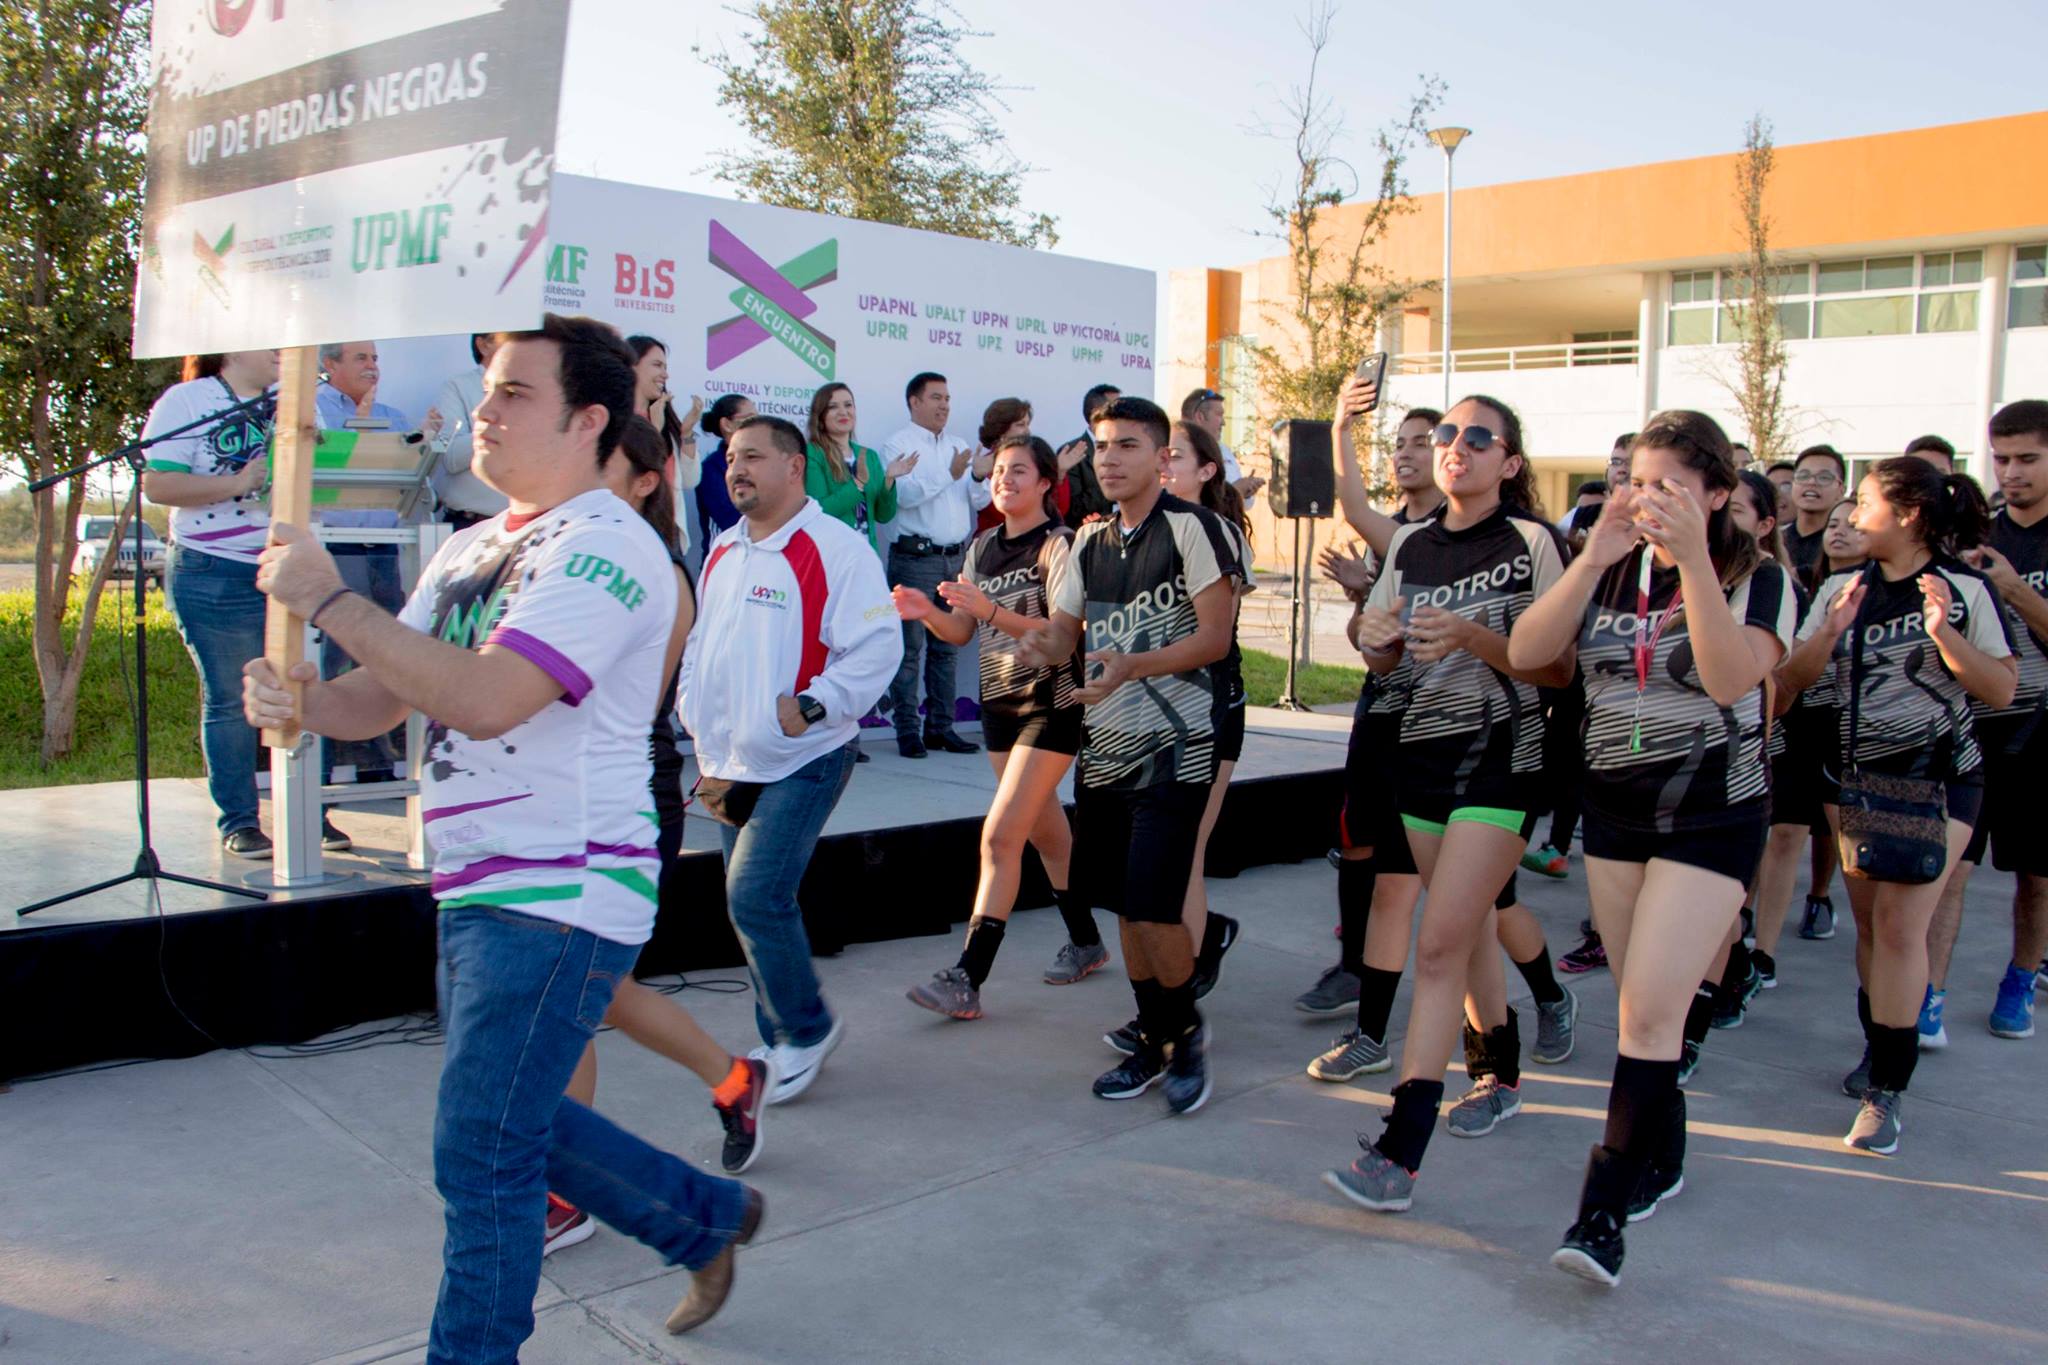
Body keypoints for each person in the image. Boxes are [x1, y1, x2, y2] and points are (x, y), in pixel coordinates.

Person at [241, 315, 764, 1353]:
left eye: (513, 393)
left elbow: (486, 699)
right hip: (479, 887)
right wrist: (298, 703)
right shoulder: (478, 546)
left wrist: (333, 599)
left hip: (561, 890)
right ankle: (699, 1218)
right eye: (485, 390)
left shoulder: (608, 546)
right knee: (510, 1116)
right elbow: (384, 697)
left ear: (588, 419)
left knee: (480, 1146)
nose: (483, 409)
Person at [1507, 410, 1796, 1285]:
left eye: (1670, 485)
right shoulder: (1609, 570)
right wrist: (1592, 556)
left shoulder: (1763, 578)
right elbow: (1527, 651)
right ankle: (1661, 1155)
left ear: (1718, 494)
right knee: (1646, 1004)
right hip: (1616, 811)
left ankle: (1600, 1214)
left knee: (1645, 1015)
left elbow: (1728, 675)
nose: (1647, 500)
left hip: (1713, 812)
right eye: (1636, 480)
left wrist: (1699, 561)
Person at [1322, 392, 1570, 1214]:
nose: (1455, 446)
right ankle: (1499, 1072)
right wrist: (1376, 640)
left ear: (1510, 461)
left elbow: (1559, 670)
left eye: (1476, 436)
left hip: (1505, 763)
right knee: (1464, 941)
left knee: (1437, 945)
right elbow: (1388, 668)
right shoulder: (1413, 546)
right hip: (1420, 762)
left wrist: (1472, 636)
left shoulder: (1534, 543)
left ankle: (1399, 1150)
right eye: (1447, 435)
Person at [543, 416, 770, 1260]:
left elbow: (612, 702)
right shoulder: (563, 550)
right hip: (565, 805)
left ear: (646, 478)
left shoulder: (655, 570)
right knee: (596, 990)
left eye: (597, 463)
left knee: (573, 998)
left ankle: (568, 1191)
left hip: (617, 800)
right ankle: (733, 1077)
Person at [1779, 456, 2014, 1156]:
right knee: (1874, 931)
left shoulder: (1964, 590)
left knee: (1903, 925)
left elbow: (2000, 689)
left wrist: (1944, 635)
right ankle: (1880, 1043)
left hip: (1942, 780)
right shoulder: (1841, 590)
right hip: (1855, 780)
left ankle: (1888, 1087)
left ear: (1908, 514)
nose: (1851, 516)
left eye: (1867, 503)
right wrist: (1826, 632)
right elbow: (1788, 688)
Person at [1015, 395, 1240, 1114]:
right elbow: (1063, 637)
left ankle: (1185, 1033)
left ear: (1161, 456)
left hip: (1180, 746)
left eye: (1127, 446)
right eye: (1101, 446)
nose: (1109, 459)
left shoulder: (1195, 527)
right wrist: (1019, 634)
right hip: (1105, 748)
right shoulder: (1088, 543)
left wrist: (1133, 665)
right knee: (1122, 903)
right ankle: (1157, 1030)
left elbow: (1215, 640)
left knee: (1155, 905)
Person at [683, 414, 903, 1105]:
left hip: (803, 756)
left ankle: (805, 1030)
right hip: (728, 760)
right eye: (728, 461)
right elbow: (700, 645)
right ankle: (780, 1034)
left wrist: (814, 703)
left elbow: (878, 646)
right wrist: (693, 711)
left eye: (752, 456)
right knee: (749, 904)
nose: (736, 469)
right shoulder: (723, 548)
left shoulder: (836, 548)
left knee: (756, 895)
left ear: (793, 466)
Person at [895, 434, 1108, 1016]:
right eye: (999, 472)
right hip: (999, 708)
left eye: (1020, 471)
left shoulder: (1060, 545)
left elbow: (1061, 639)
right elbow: (963, 633)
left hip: (1052, 705)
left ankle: (967, 976)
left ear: (1045, 482)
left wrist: (989, 609)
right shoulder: (983, 545)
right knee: (1046, 835)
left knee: (999, 836)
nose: (1005, 480)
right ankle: (1087, 941)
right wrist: (928, 614)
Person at [1296, 402, 1442, 1021]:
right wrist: (1362, 592)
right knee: (1358, 839)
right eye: (1400, 443)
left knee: (1453, 877)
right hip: (1382, 707)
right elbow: (1367, 637)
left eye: (1422, 442)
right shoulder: (1390, 534)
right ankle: (1356, 969)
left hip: (1443, 719)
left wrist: (1339, 429)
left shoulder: (1462, 534)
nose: (1406, 453)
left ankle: (1535, 993)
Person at [1925, 400, 2048, 1046]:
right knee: (1951, 869)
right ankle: (1931, 995)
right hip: (1970, 730)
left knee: (2035, 877)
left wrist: (2018, 592)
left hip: (2040, 731)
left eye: (2028, 458)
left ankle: (2021, 979)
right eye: (2003, 458)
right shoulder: (1980, 532)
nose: (2013, 471)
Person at [143, 350, 287, 857]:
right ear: (231, 347)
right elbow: (158, 484)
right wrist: (237, 483)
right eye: (269, 342)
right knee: (231, 696)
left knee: (306, 687)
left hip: (287, 565)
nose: (279, 352)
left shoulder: (293, 401)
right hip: (212, 567)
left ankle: (313, 814)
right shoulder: (188, 401)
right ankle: (241, 821)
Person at [1160, 420, 1253, 999]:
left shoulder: (1217, 532)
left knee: (1184, 846)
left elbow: (1212, 630)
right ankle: (1198, 943)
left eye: (1175, 456)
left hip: (1210, 704)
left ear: (1208, 470)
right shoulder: (1135, 529)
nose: (1163, 464)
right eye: (1159, 454)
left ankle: (1181, 988)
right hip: (1145, 710)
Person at [881, 372, 990, 758]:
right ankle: (908, 731)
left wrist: (976, 475)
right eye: (935, 397)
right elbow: (905, 497)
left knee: (947, 648)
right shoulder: (897, 443)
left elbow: (977, 502)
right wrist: (951, 473)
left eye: (947, 398)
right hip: (914, 559)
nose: (944, 405)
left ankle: (941, 728)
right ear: (914, 402)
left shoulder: (959, 445)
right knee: (909, 650)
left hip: (954, 559)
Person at [805, 382, 913, 553]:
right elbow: (819, 512)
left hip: (866, 556)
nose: (843, 412)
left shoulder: (868, 456)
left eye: (848, 405)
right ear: (820, 416)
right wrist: (857, 484)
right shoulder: (812, 453)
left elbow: (883, 516)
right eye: (833, 407)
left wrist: (889, 481)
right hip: (831, 556)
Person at [626, 336, 702, 553]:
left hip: (669, 532)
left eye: (665, 367)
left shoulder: (664, 418)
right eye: (657, 365)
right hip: (633, 530)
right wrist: (654, 432)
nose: (665, 375)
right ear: (632, 366)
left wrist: (686, 434)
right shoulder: (614, 420)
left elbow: (689, 480)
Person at [428, 334, 510, 529]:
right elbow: (451, 456)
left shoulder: (534, 393)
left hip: (523, 526)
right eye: (509, 337)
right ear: (483, 345)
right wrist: (502, 429)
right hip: (470, 524)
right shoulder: (458, 387)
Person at [1181, 386, 1266, 508]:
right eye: (1219, 414)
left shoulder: (1224, 451)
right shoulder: (1177, 452)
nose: (1224, 422)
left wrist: (1247, 492)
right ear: (1200, 417)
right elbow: (1192, 501)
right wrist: (1236, 490)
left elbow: (1243, 506)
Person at [973, 397, 1047, 531]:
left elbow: (1056, 508)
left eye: (1027, 424)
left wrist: (1060, 475)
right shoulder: (984, 465)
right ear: (1001, 429)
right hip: (993, 543)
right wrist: (978, 477)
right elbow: (996, 509)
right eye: (1020, 425)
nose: (1027, 431)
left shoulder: (1032, 460)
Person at [1783, 445, 1847, 588]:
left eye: (1824, 477)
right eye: (1803, 476)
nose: (1811, 482)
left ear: (1841, 489)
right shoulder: (1775, 540)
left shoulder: (1844, 543)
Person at [695, 394, 754, 551]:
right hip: (724, 562)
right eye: (750, 419)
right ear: (727, 424)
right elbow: (730, 521)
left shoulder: (762, 463)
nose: (758, 425)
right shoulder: (711, 469)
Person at [1059, 383, 1119, 528]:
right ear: (1095, 414)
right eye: (1115, 409)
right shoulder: (1070, 453)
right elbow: (1072, 509)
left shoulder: (1123, 450)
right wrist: (1111, 480)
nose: (1122, 415)